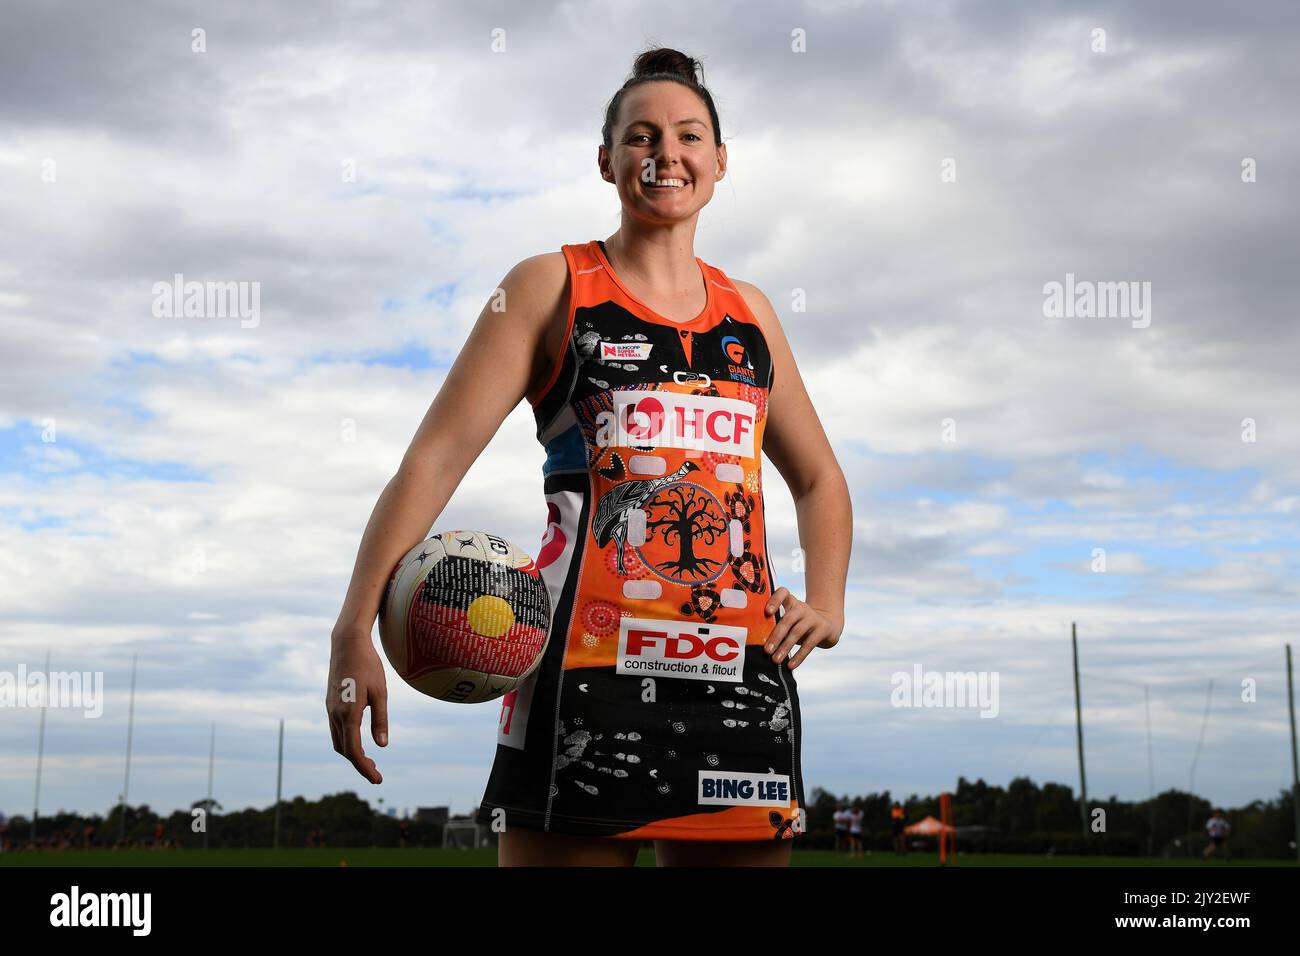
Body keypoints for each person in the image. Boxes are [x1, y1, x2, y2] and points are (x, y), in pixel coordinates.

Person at [325, 46, 851, 867]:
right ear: (607, 160)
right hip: (581, 679)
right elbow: (432, 461)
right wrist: (352, 627)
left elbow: (819, 480)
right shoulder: (551, 286)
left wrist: (828, 598)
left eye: (687, 136)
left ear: (719, 161)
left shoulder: (751, 314)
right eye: (641, 137)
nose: (665, 154)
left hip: (741, 685)